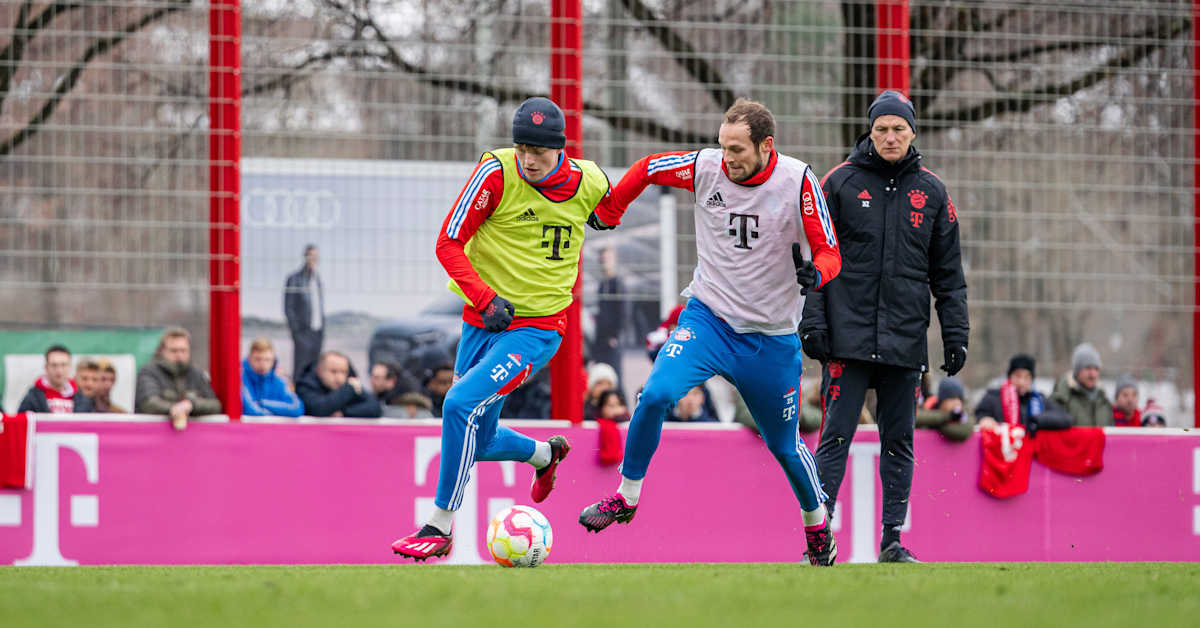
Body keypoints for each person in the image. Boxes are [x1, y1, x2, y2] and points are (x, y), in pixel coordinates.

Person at [576, 98, 842, 566]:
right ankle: (627, 496)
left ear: (766, 145)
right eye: (722, 146)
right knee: (655, 395)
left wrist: (816, 274)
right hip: (709, 320)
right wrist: (613, 208)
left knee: (783, 446)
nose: (727, 158)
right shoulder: (704, 167)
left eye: (737, 149)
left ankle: (817, 525)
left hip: (770, 339)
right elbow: (647, 168)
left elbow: (830, 253)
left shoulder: (799, 181)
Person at [391, 96, 627, 561]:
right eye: (521, 147)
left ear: (560, 149)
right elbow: (448, 243)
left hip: (537, 330)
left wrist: (616, 211)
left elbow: (612, 209)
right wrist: (485, 298)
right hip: (482, 320)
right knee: (477, 440)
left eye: (538, 150)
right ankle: (544, 454)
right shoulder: (495, 174)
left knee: (458, 404)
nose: (528, 159)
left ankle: (439, 527)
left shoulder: (590, 180)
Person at [801, 90, 969, 563]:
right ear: (869, 132)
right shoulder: (838, 183)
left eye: (898, 128)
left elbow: (949, 276)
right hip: (846, 338)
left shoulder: (933, 193)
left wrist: (956, 334)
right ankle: (819, 543)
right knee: (835, 436)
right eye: (882, 129)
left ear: (913, 132)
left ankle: (892, 540)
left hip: (905, 339)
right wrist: (813, 321)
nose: (890, 137)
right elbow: (816, 257)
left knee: (900, 441)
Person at [135, 328, 222, 430]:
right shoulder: (149, 372)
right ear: (162, 351)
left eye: (183, 350)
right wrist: (174, 409)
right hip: (154, 433)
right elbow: (148, 403)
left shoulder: (197, 374)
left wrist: (192, 405)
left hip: (193, 435)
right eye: (174, 350)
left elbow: (215, 405)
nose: (179, 355)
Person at [974, 354, 1071, 433]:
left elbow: (1065, 418)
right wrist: (984, 419)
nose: (1021, 382)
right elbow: (978, 415)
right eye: (1018, 376)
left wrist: (1036, 420)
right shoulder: (993, 397)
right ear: (1010, 377)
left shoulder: (1039, 399)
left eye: (1026, 377)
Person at [295, 351, 382, 418]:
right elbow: (318, 409)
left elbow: (375, 408)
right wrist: (347, 390)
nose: (339, 378)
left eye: (344, 372)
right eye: (333, 371)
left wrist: (344, 413)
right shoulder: (306, 385)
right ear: (319, 371)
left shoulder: (350, 386)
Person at [284, 244, 324, 378]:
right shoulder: (294, 279)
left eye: (316, 256)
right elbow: (289, 307)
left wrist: (322, 331)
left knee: (315, 370)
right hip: (302, 332)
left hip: (317, 332)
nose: (313, 259)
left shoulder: (317, 280)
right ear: (305, 257)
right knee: (300, 369)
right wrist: (297, 332)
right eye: (311, 256)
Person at [17, 345, 94, 414]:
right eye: (54, 365)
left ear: (70, 367)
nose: (59, 370)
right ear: (46, 367)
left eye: (63, 365)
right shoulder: (33, 397)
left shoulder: (81, 399)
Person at [1051, 342, 1113, 426]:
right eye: (1088, 368)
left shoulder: (1104, 401)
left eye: (1096, 369)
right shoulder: (1062, 399)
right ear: (1077, 370)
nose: (1093, 374)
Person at [590, 247, 627, 386]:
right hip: (601, 339)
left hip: (611, 340)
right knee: (600, 376)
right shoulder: (602, 284)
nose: (604, 263)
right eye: (602, 260)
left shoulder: (618, 284)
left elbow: (624, 311)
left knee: (614, 377)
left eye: (607, 259)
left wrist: (615, 336)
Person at [241, 337, 304, 417]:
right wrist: (278, 413)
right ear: (249, 359)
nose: (262, 364)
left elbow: (297, 409)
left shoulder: (278, 379)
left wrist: (263, 403)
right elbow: (250, 410)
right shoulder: (241, 377)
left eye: (267, 360)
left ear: (273, 361)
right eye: (258, 359)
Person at [915, 377, 973, 442]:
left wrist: (935, 424)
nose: (957, 402)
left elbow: (965, 430)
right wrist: (949, 416)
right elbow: (916, 418)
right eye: (952, 398)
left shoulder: (963, 412)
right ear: (942, 401)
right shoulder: (928, 406)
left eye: (959, 398)